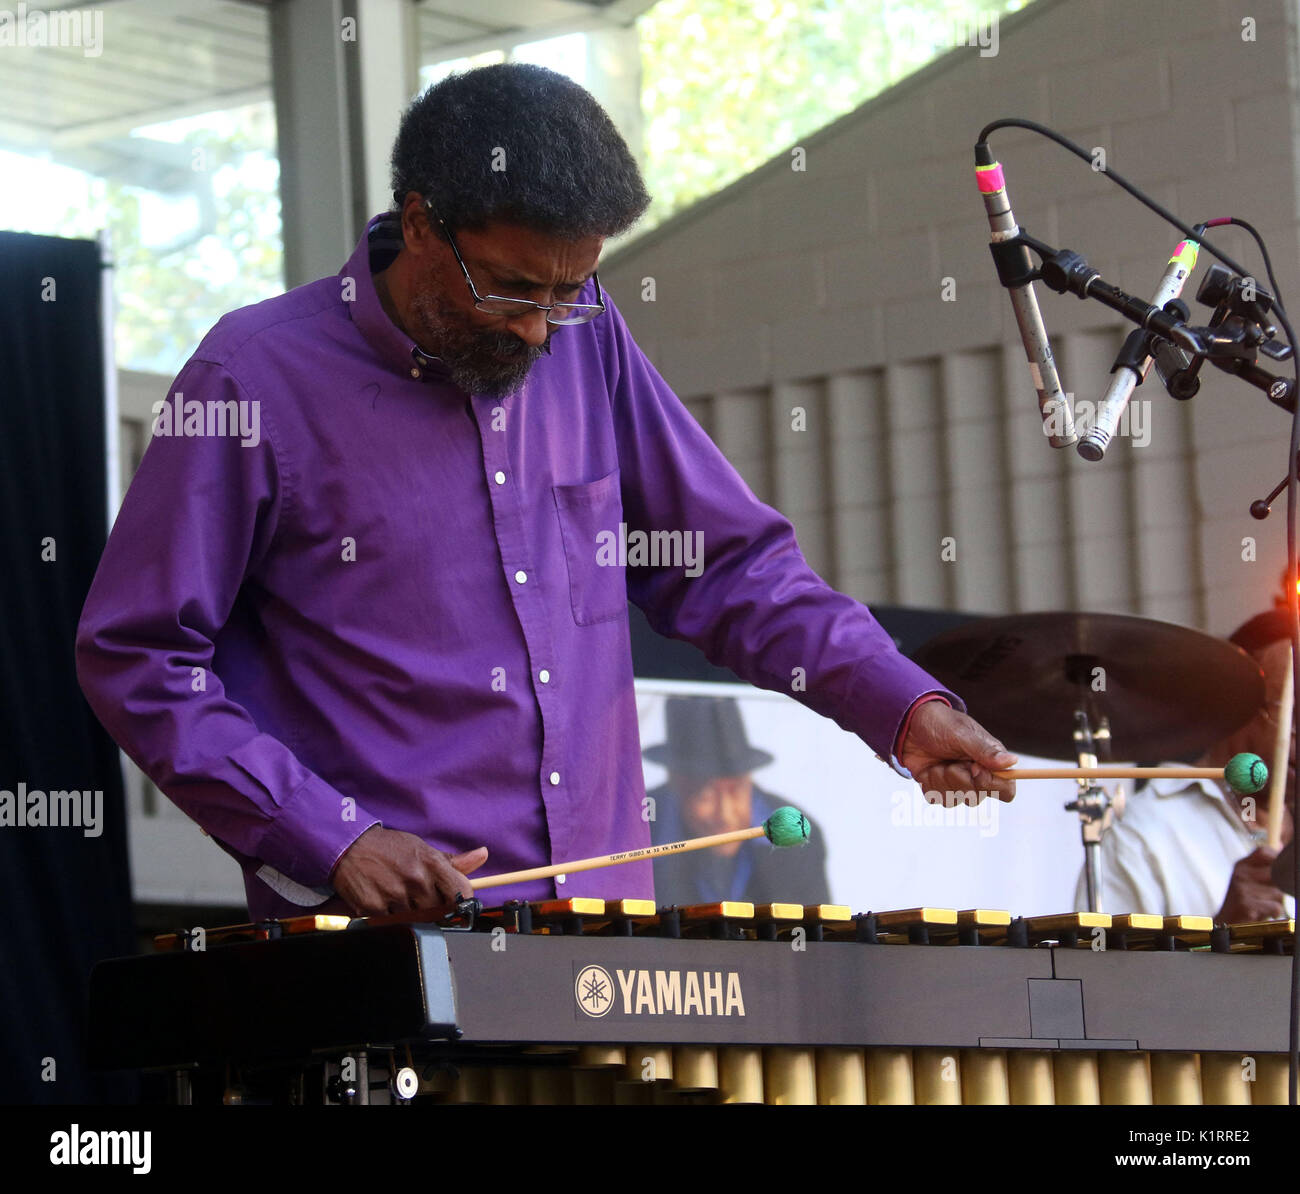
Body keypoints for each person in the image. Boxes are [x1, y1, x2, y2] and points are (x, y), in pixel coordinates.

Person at [75, 64, 1015, 922]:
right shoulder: (251, 379)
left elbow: (727, 568)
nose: (537, 332)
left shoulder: (587, 333)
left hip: (606, 930)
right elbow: (138, 654)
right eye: (512, 290)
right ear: (418, 225)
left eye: (569, 291)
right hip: (381, 947)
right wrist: (332, 837)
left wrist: (897, 702)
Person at [1075, 609, 1295, 921]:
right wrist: (1222, 935)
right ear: (1233, 702)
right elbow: (1104, 970)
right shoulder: (1142, 837)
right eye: (1292, 712)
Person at [644, 695, 830, 905]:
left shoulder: (797, 836)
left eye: (737, 790)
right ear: (676, 782)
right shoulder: (637, 831)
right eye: (705, 794)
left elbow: (817, 931)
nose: (726, 814)